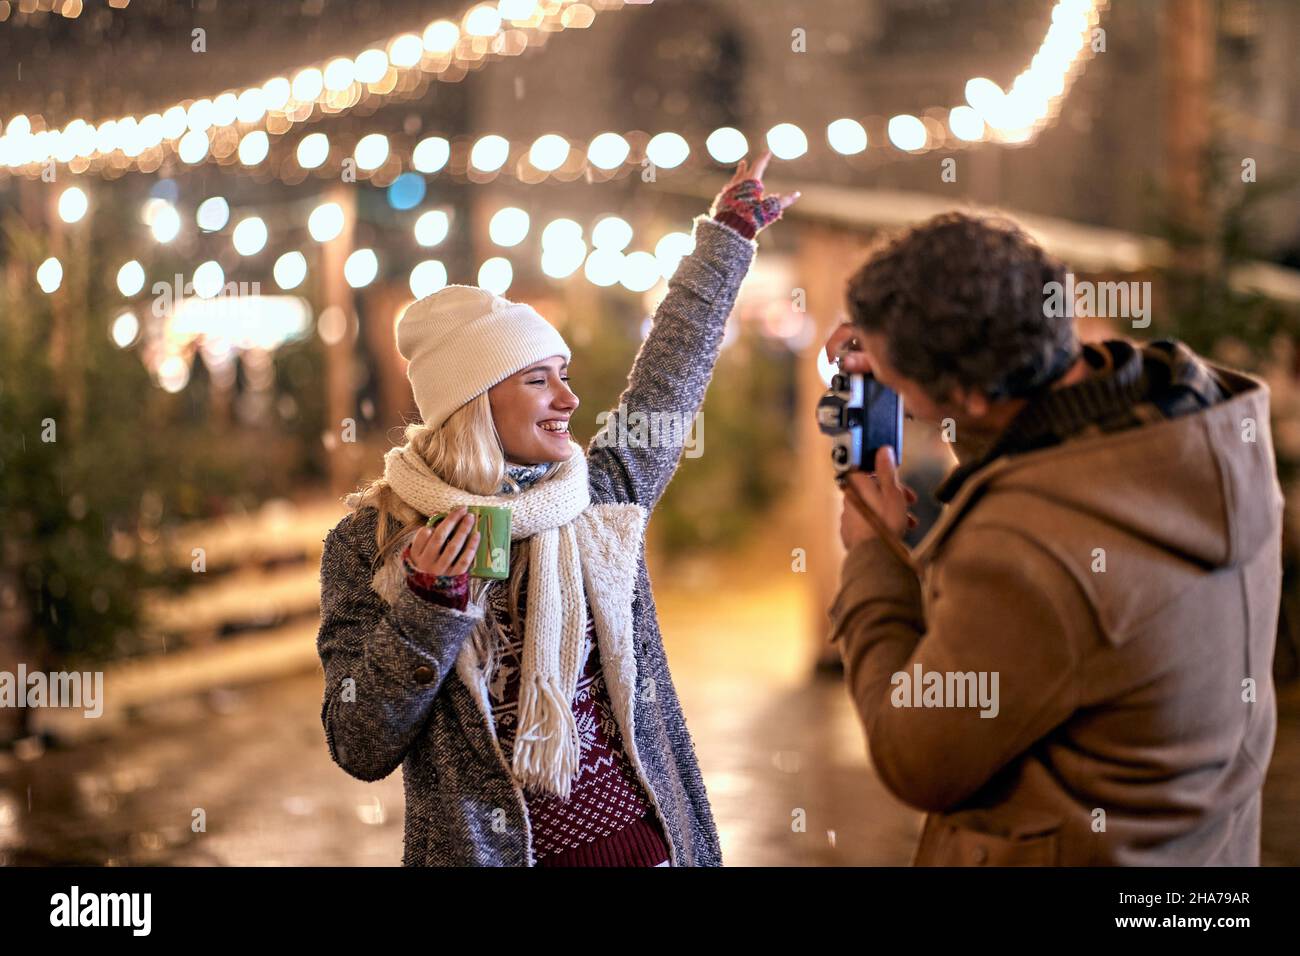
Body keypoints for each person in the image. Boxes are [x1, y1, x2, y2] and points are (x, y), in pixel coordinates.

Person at [316, 152, 799, 866]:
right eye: (538, 380)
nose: (569, 400)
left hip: (647, 851)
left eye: (565, 376)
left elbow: (670, 374)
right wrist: (428, 610)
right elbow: (359, 743)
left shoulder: (599, 496)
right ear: (473, 402)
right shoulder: (370, 543)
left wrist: (726, 238)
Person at [824, 211, 1281, 865]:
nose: (897, 396)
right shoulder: (1196, 423)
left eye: (900, 383)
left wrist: (873, 558)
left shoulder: (1026, 554)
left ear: (968, 394)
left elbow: (914, 760)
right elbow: (1034, 440)